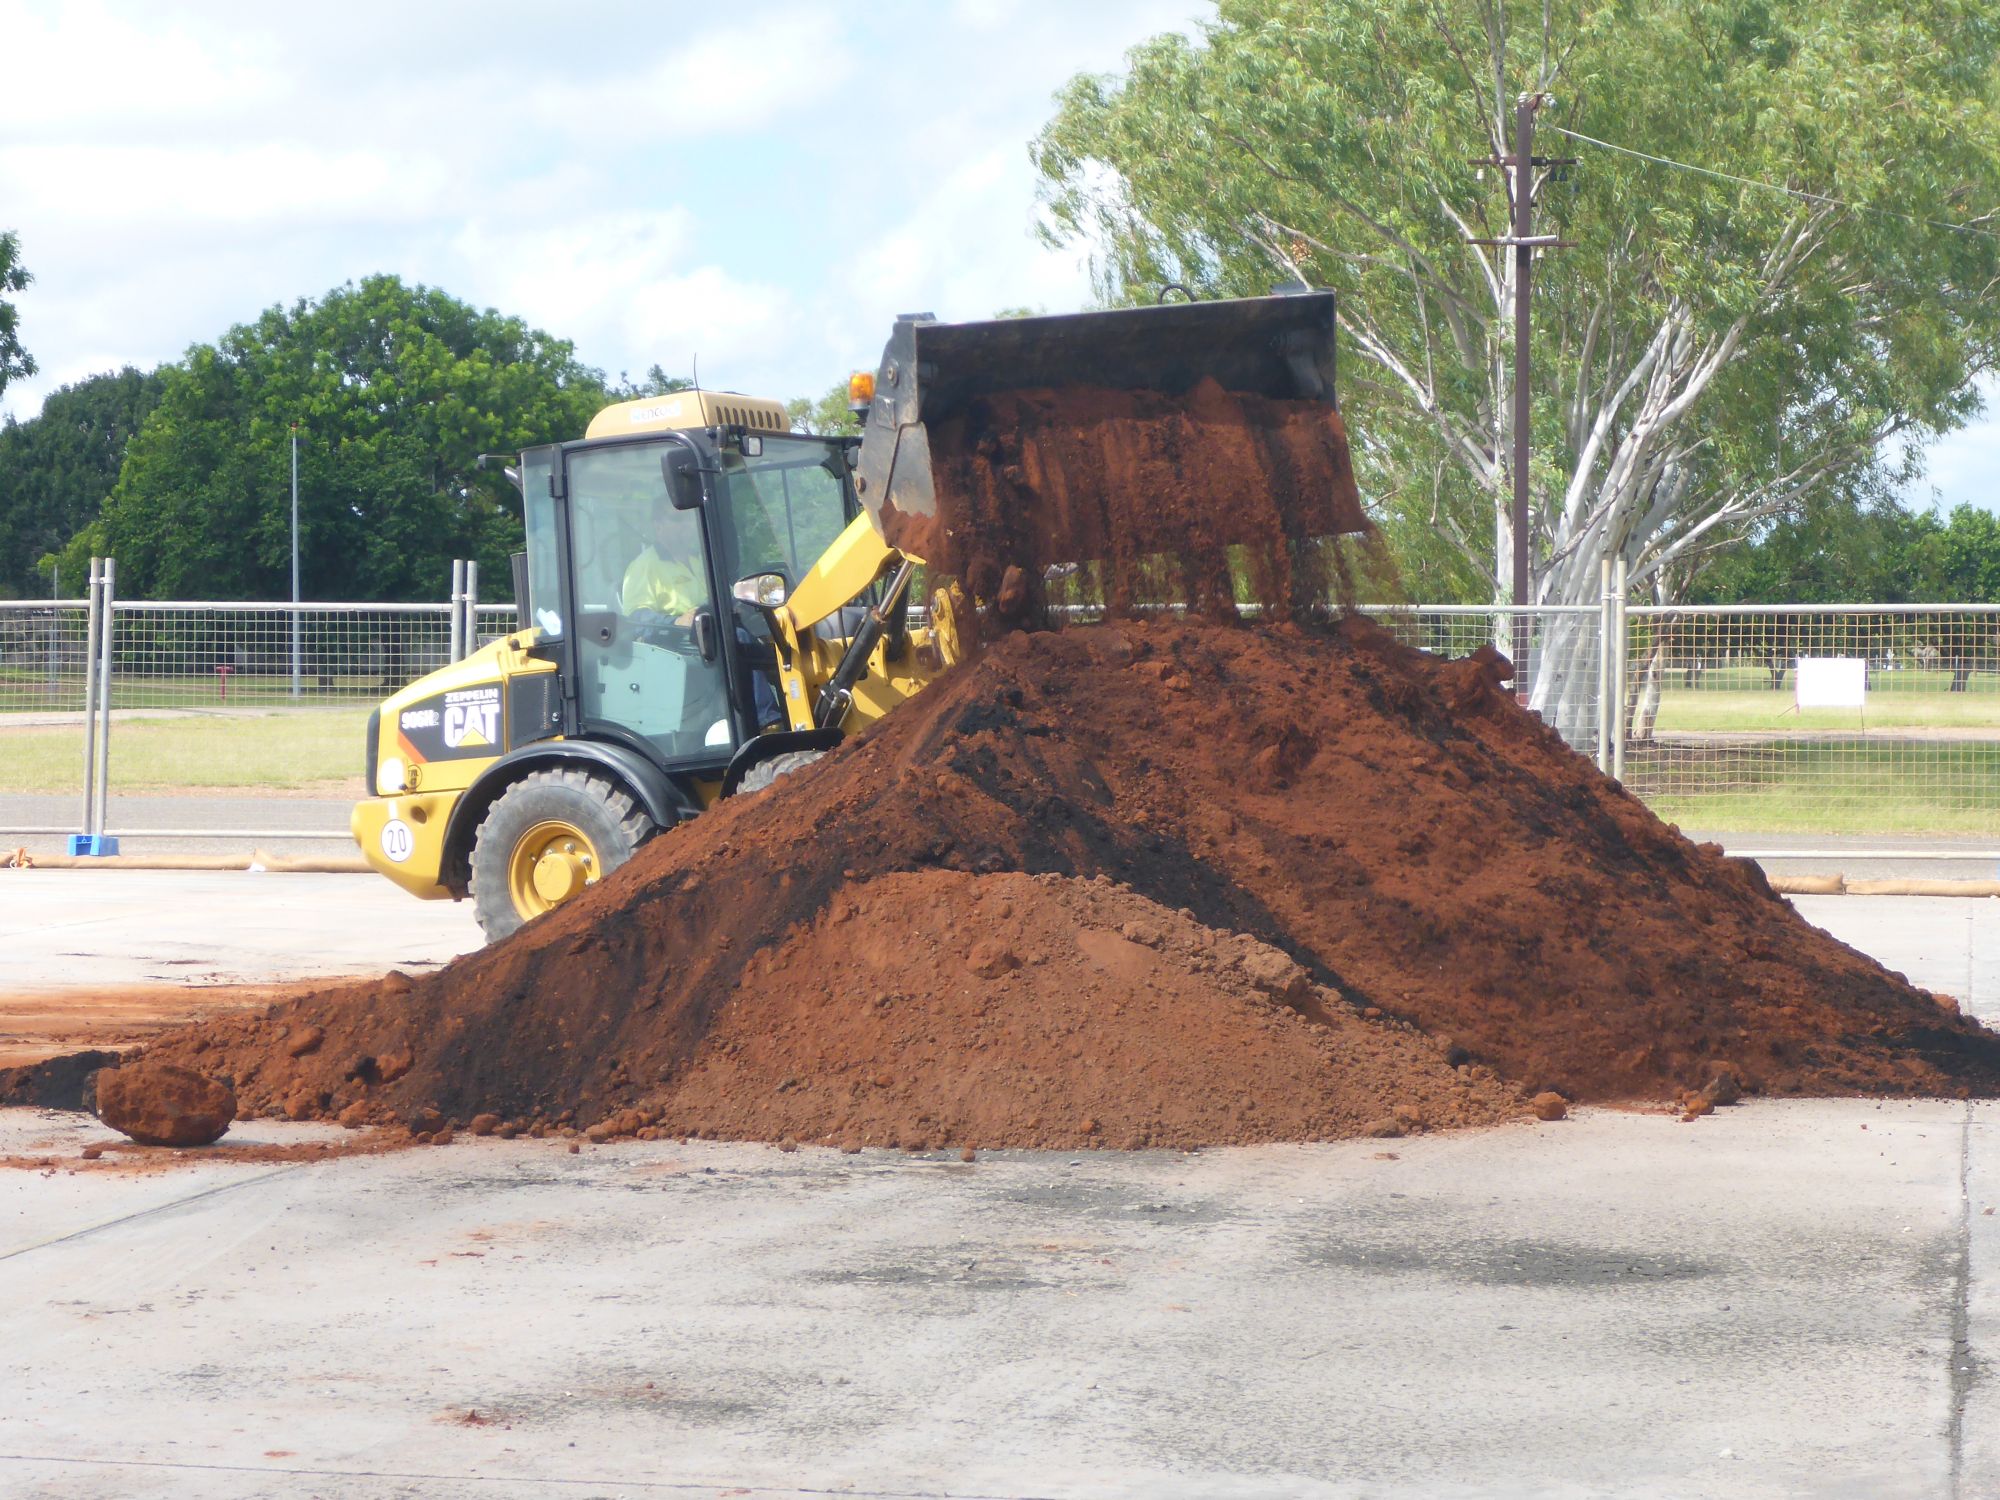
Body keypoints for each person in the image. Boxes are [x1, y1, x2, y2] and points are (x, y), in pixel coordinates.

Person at [621, 507, 703, 622]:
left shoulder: (703, 559)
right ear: (658, 526)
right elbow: (637, 618)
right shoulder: (643, 566)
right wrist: (677, 622)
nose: (687, 524)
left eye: (690, 518)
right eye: (677, 518)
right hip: (678, 638)